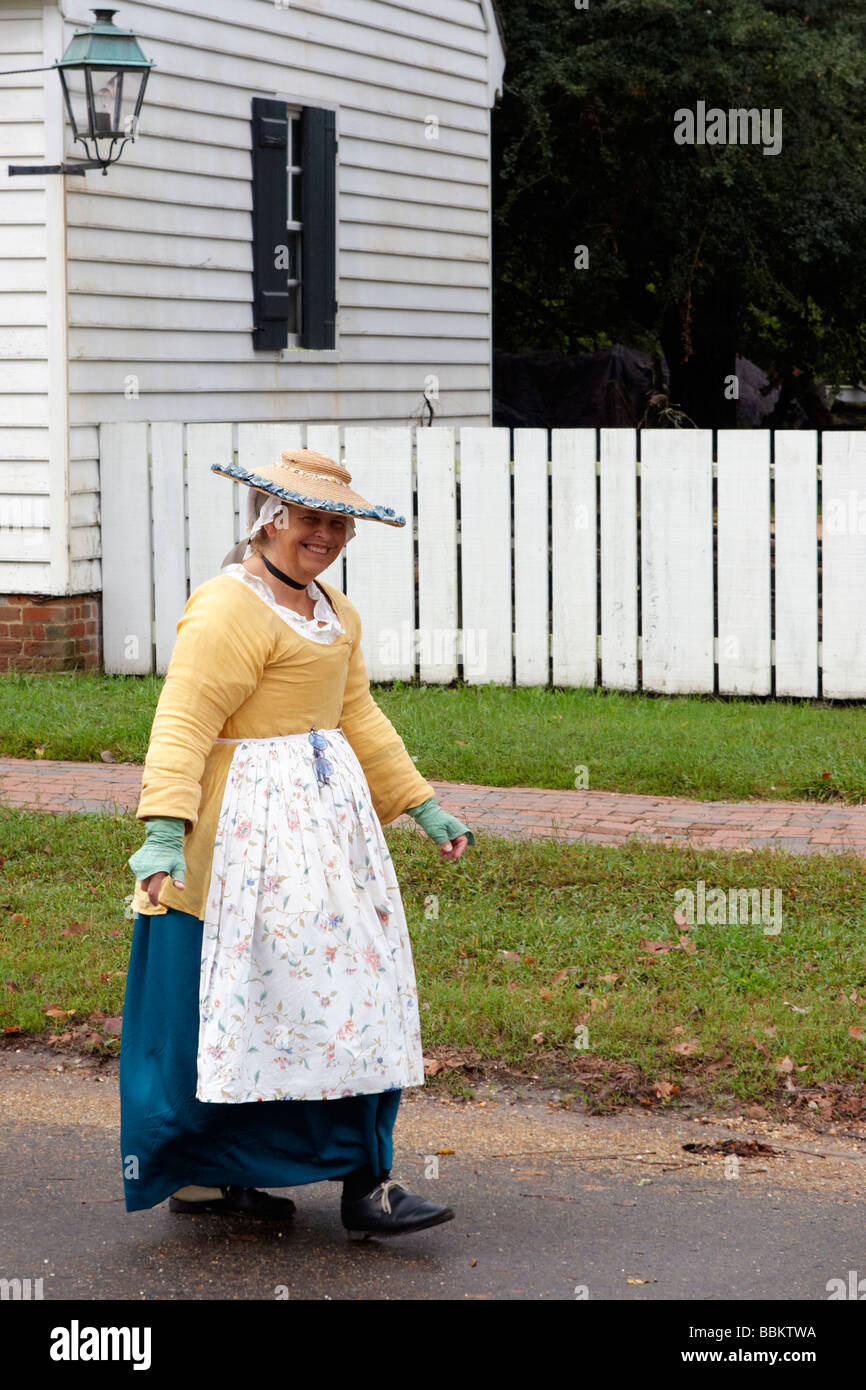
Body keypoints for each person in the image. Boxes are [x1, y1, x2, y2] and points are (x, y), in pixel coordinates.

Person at [121, 447, 475, 1239]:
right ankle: (216, 1179)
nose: (326, 536)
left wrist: (422, 806)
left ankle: (366, 1180)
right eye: (311, 519)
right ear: (270, 520)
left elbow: (359, 718)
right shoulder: (224, 609)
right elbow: (182, 725)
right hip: (240, 845)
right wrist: (163, 834)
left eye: (338, 523)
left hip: (327, 838)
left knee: (351, 990)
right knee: (242, 1001)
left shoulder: (334, 612)